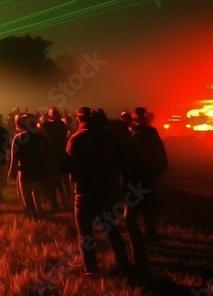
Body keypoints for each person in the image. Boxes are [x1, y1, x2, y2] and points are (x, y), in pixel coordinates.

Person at [67, 108, 146, 277]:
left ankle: (91, 269)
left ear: (80, 119)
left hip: (85, 193)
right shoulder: (110, 138)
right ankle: (123, 263)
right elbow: (122, 162)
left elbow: (71, 168)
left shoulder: (76, 139)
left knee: (85, 233)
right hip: (108, 191)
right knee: (111, 228)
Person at [127, 107, 168, 241]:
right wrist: (159, 170)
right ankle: (151, 233)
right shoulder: (152, 133)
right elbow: (160, 153)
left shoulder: (135, 134)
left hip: (137, 174)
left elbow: (130, 155)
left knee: (133, 207)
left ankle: (136, 237)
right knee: (148, 205)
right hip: (148, 174)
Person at [8, 114, 49, 221]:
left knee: (25, 195)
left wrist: (12, 171)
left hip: (24, 169)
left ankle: (32, 216)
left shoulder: (19, 137)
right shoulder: (39, 137)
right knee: (36, 193)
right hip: (37, 168)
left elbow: (14, 156)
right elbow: (44, 152)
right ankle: (39, 214)